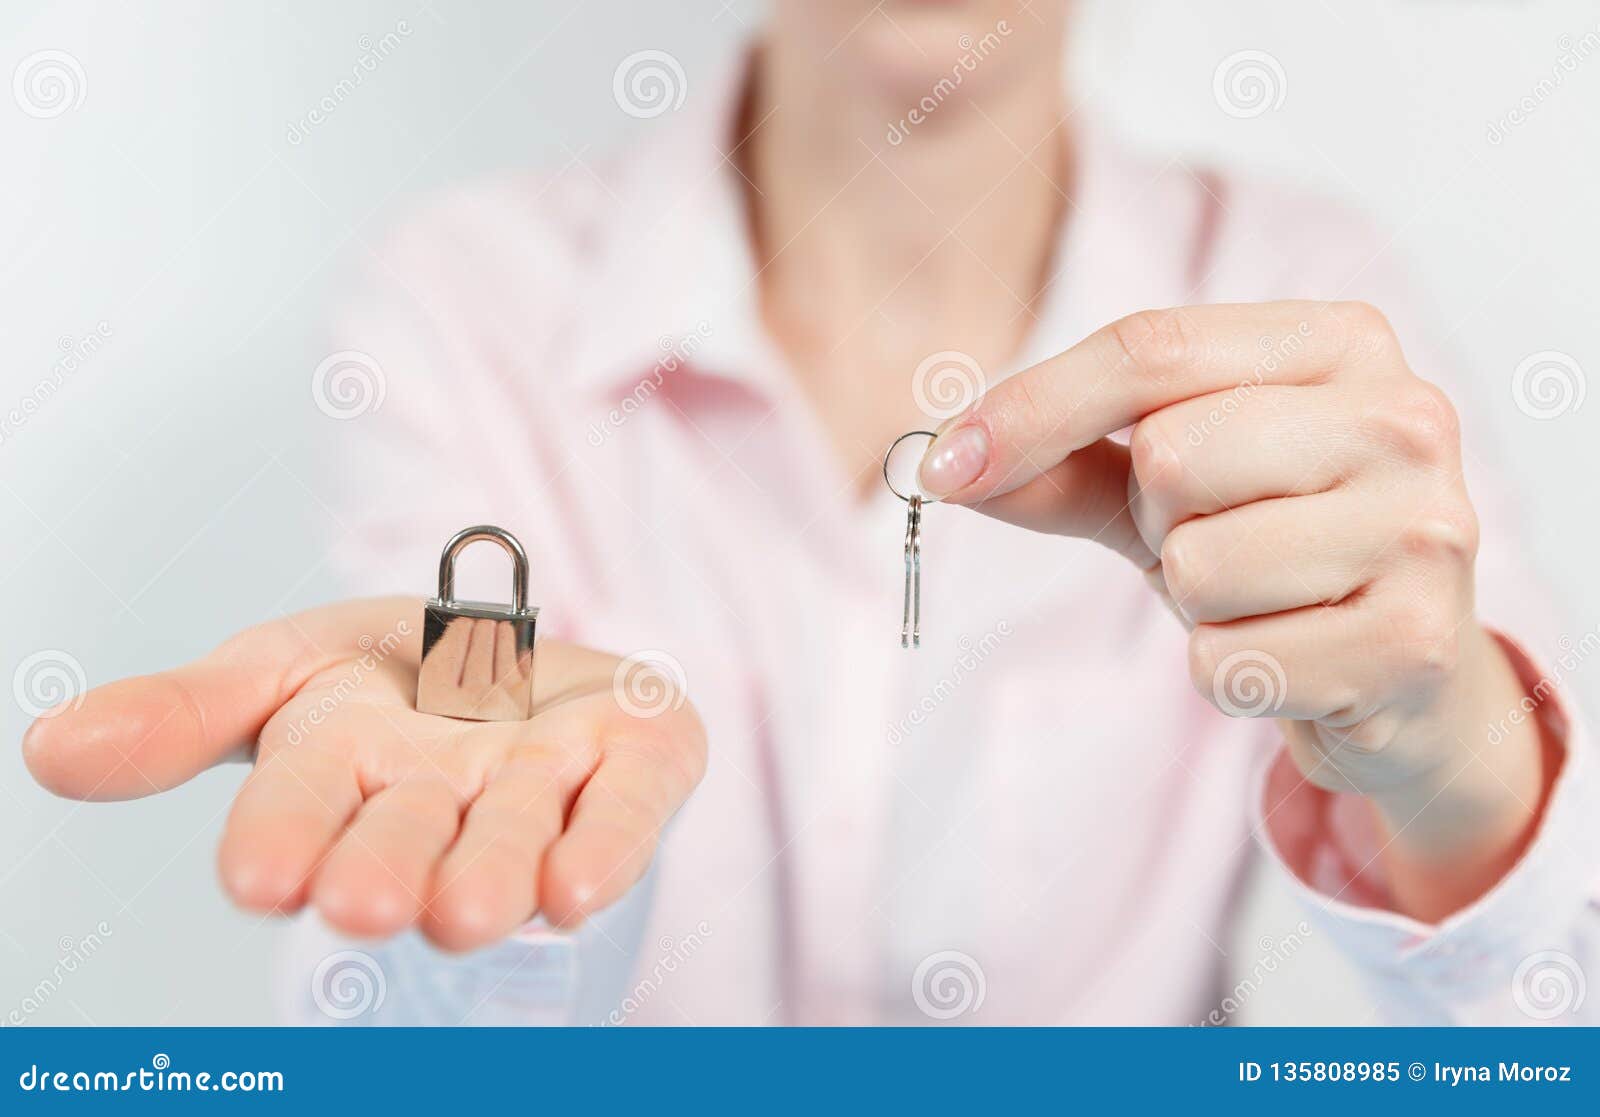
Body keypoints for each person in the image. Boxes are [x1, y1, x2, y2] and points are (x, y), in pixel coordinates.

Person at [23, 1, 1599, 1025]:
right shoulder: (468, 306)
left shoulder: (1308, 307)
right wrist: (483, 891)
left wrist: (1455, 762)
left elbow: (1550, 1024)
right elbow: (407, 1031)